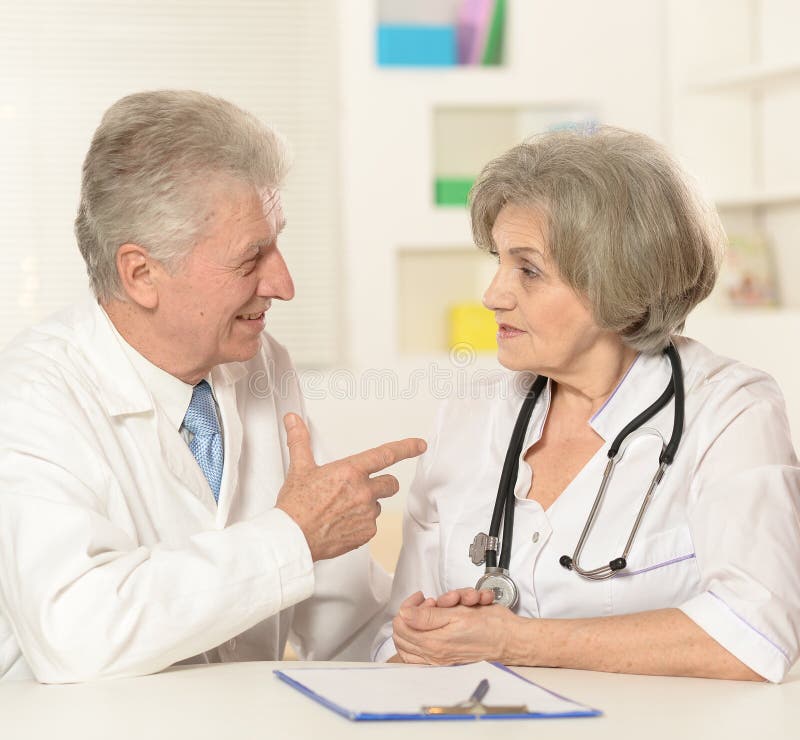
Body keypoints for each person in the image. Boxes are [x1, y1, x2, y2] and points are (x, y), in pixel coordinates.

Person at [0, 90, 426, 683]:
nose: (283, 282)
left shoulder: (259, 362)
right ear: (142, 274)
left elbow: (341, 614)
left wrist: (413, 642)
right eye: (251, 258)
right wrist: (290, 536)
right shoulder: (32, 395)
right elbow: (75, 633)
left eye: (277, 242)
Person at [373, 126, 800, 682]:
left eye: (527, 269)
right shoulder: (469, 416)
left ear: (618, 281)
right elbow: (392, 637)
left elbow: (756, 633)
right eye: (499, 261)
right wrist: (418, 639)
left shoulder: (729, 410)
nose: (493, 294)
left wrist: (515, 641)